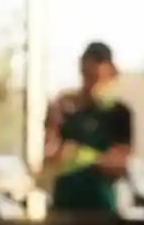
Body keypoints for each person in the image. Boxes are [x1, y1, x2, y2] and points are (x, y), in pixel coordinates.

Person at [45, 42, 133, 214]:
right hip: (65, 200)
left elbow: (120, 163)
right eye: (87, 76)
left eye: (97, 78)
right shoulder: (65, 107)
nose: (92, 85)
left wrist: (83, 156)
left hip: (100, 201)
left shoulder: (118, 112)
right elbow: (50, 153)